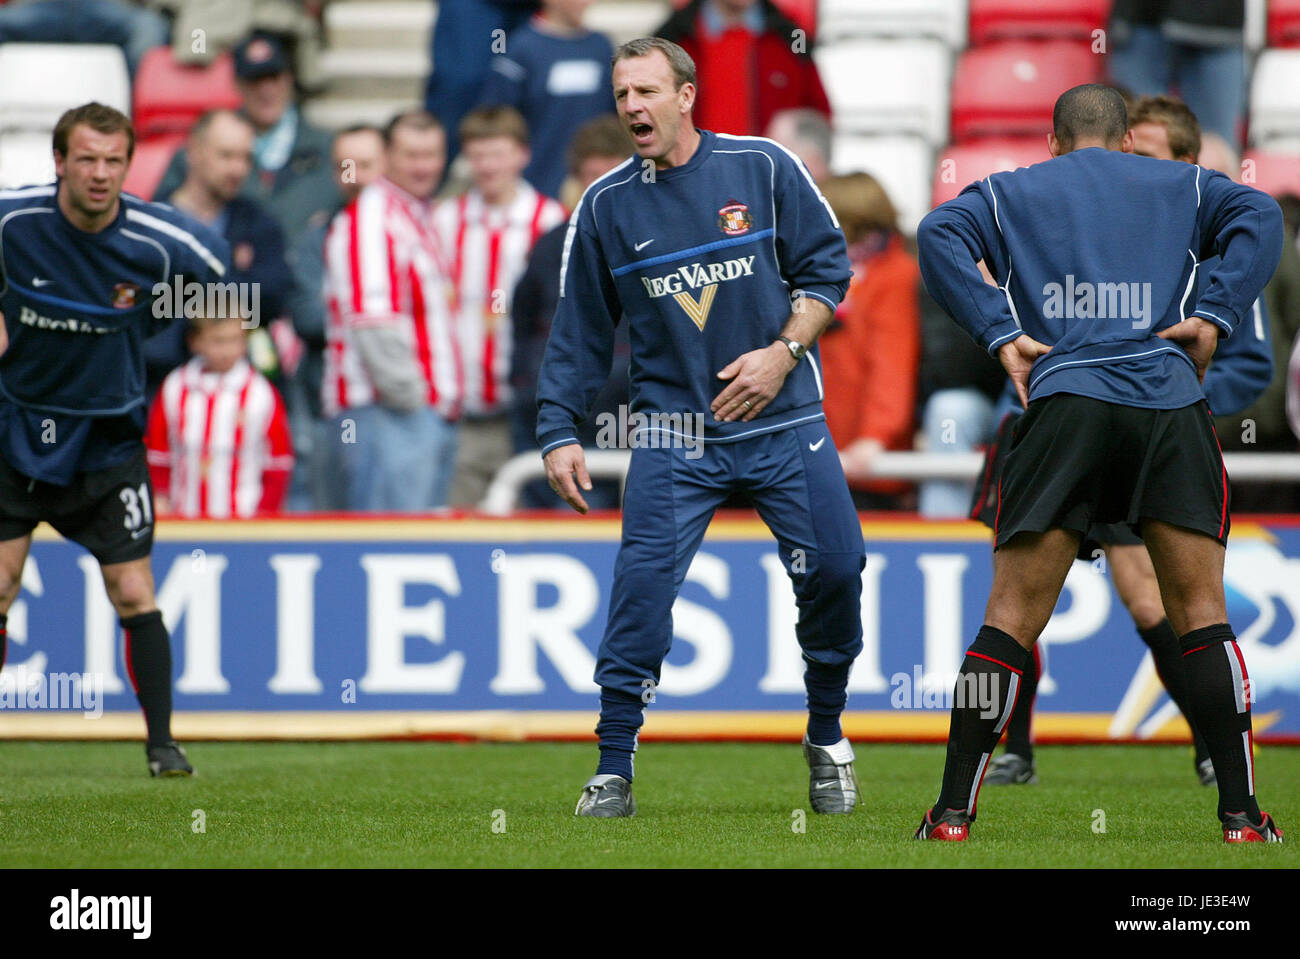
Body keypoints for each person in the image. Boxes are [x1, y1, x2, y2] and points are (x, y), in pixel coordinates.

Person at [915, 84, 1283, 843]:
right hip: (1167, 404)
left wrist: (998, 330)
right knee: (1202, 618)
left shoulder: (1013, 190)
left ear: (1053, 142)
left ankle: (952, 814)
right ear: (1126, 143)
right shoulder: (1181, 181)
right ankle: (1242, 817)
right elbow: (1263, 215)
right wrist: (1216, 310)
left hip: (1063, 402)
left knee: (1009, 621)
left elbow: (937, 233)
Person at [537, 38, 863, 817]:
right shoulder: (606, 206)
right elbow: (578, 331)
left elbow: (828, 272)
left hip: (784, 417)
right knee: (641, 591)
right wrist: (558, 427)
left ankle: (826, 732)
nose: (632, 108)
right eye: (621, 95)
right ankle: (613, 765)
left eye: (646, 91)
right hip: (673, 433)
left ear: (687, 95)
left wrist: (783, 353)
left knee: (837, 569)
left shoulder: (765, 167)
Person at [0, 102, 231, 776]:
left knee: (133, 590)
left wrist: (149, 316)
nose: (100, 174)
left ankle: (162, 744)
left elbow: (243, 295)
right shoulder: (14, 222)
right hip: (16, 431)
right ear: (60, 162)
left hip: (108, 443)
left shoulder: (161, 240)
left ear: (129, 167)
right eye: (87, 159)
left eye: (113, 161)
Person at [322, 111, 462, 512]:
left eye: (432, 154)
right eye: (411, 155)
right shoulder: (372, 217)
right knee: (392, 548)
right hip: (388, 414)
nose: (423, 166)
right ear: (386, 157)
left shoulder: (413, 213)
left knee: (416, 550)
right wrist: (416, 403)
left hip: (419, 414)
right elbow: (373, 325)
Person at [434, 107, 567, 508]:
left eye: (498, 154)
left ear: (522, 155)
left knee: (530, 523)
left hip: (526, 410)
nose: (487, 166)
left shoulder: (549, 220)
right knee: (459, 524)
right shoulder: (444, 220)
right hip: (462, 412)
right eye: (477, 156)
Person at [511, 115, 632, 510]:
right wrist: (529, 382)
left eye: (612, 173)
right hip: (562, 417)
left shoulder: (659, 245)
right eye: (592, 174)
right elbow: (525, 320)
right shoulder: (553, 247)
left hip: (635, 421)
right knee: (560, 520)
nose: (602, 186)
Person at [151, 109, 292, 394]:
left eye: (246, 158)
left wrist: (182, 294)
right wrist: (231, 287)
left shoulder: (259, 224)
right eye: (227, 156)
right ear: (194, 152)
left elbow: (272, 298)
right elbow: (146, 309)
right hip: (159, 389)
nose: (239, 169)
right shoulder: (151, 225)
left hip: (242, 396)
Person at [285, 124, 386, 511]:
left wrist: (344, 309)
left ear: (386, 165)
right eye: (346, 167)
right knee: (330, 520)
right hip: (327, 405)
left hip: (396, 408)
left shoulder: (408, 230)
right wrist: (375, 314)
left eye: (366, 164)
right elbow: (308, 318)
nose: (356, 176)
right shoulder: (317, 237)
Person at [154, 32, 334, 246]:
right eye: (255, 80)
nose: (266, 89)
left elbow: (354, 200)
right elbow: (160, 218)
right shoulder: (200, 147)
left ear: (289, 80)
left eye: (274, 77)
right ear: (237, 85)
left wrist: (332, 219)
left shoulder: (332, 148)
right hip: (230, 274)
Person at [818, 172, 920, 510]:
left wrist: (875, 438)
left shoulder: (895, 276)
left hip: (869, 470)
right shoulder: (827, 274)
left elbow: (892, 364)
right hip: (823, 457)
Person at [146, 311, 293, 518]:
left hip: (243, 520)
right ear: (195, 341)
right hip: (183, 518)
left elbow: (278, 463)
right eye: (218, 341)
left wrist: (265, 515)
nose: (227, 350)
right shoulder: (175, 387)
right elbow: (158, 455)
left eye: (236, 340)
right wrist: (161, 500)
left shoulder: (260, 393)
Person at [476, 0, 615, 199]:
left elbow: (615, 120)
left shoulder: (601, 46)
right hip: (538, 189)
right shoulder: (520, 47)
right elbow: (497, 121)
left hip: (595, 189)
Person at [655, 0, 830, 138]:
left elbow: (820, 120)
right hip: (687, 179)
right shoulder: (671, 40)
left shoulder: (791, 39)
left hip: (769, 179)